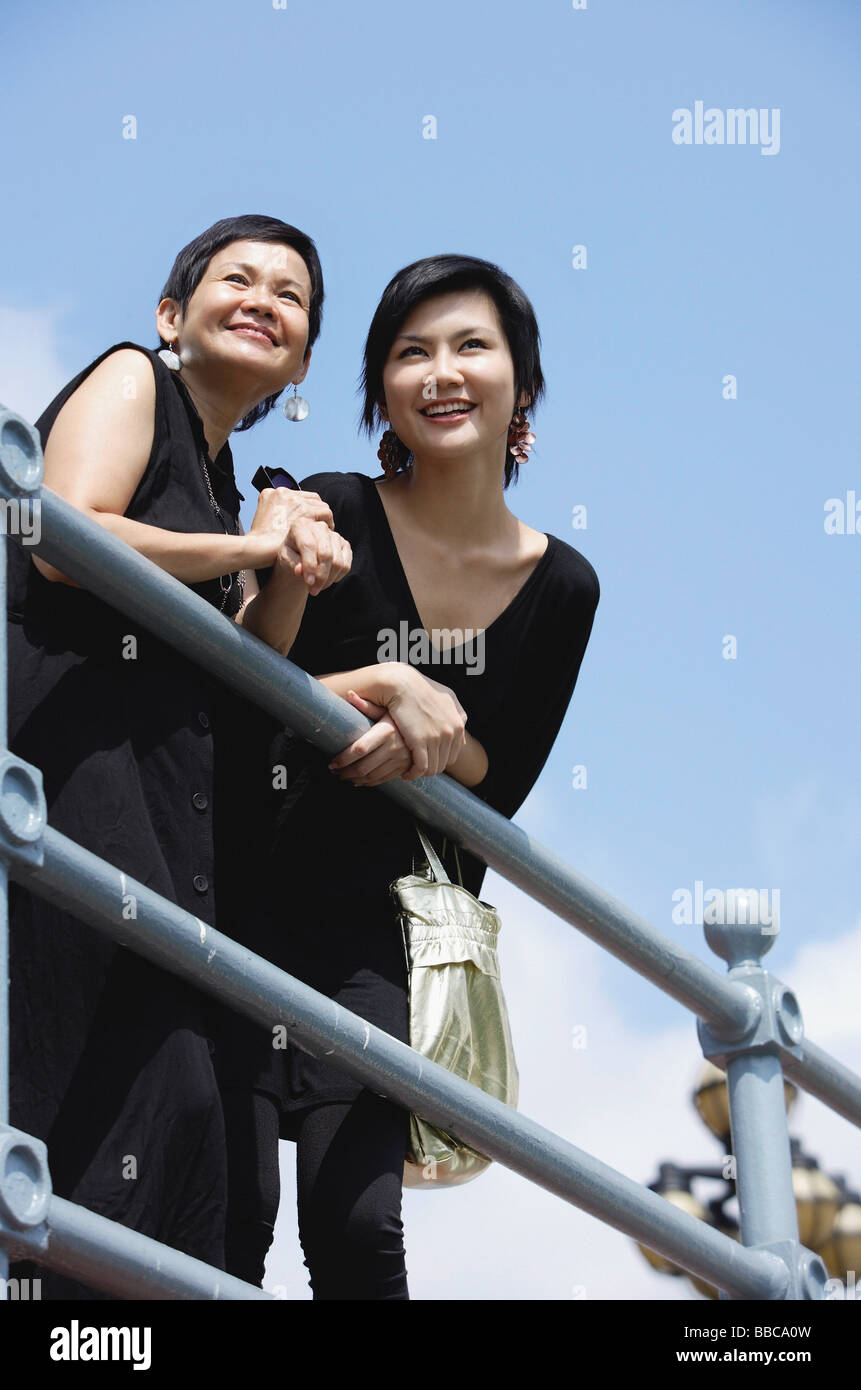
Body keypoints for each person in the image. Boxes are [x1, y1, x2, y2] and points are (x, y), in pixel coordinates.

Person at [213, 253, 601, 1300]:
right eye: (409, 352)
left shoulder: (563, 582)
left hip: (385, 937)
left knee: (355, 1231)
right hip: (234, 892)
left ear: (522, 381)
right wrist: (381, 680)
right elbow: (244, 676)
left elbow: (500, 780)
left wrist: (435, 721)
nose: (441, 371)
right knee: (226, 1220)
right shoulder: (328, 506)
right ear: (380, 387)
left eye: (471, 346)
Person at [6, 213, 351, 1298]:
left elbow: (249, 670)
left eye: (290, 297)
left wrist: (288, 552)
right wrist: (254, 543)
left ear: (298, 360)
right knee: (119, 1083)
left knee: (175, 1110)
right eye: (236, 279)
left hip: (168, 812)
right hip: (70, 774)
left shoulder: (226, 477)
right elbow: (60, 529)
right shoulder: (130, 380)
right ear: (172, 314)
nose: (263, 299)